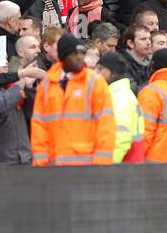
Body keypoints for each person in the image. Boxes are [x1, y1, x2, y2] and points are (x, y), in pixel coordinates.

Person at [30, 33, 114, 165]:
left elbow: (106, 126)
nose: (80, 57)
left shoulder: (94, 82)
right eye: (75, 53)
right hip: (54, 166)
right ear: (63, 56)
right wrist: (40, 162)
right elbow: (39, 126)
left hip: (87, 166)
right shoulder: (47, 84)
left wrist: (101, 164)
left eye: (82, 53)